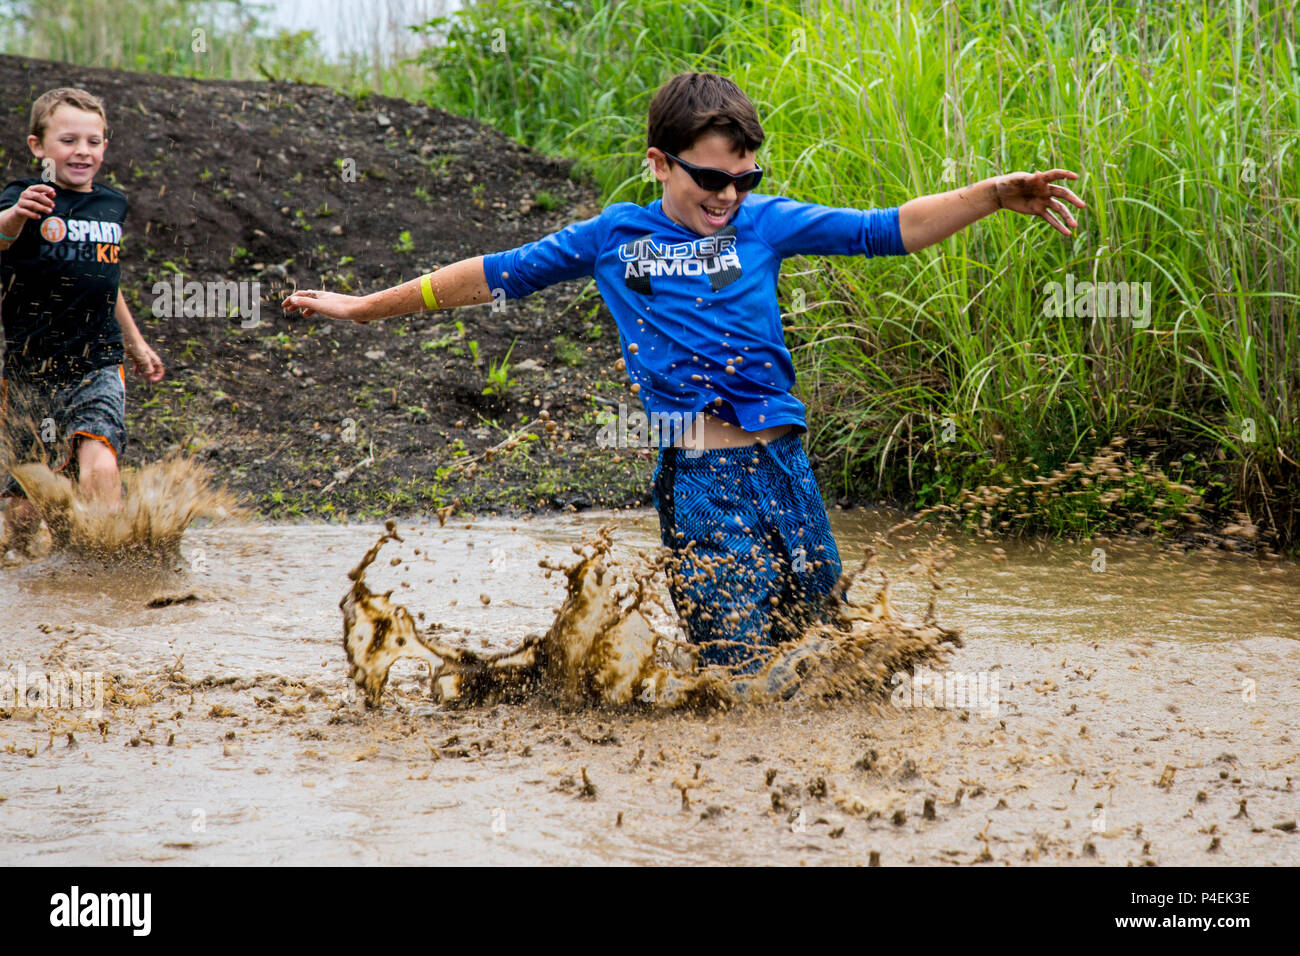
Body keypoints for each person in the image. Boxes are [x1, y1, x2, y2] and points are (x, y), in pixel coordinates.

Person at [282, 72, 1084, 672]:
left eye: (746, 178)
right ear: (661, 164)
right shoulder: (611, 238)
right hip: (700, 478)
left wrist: (989, 194)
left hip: (788, 471)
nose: (730, 195)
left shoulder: (768, 223)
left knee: (834, 655)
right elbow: (485, 275)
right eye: (712, 179)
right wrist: (362, 308)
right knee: (736, 673)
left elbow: (888, 230)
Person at [0, 87, 164, 558]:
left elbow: (105, 281)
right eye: (68, 140)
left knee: (100, 462)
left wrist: (135, 343)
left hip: (97, 359)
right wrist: (14, 216)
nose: (82, 152)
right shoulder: (23, 196)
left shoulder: (112, 205)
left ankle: (105, 563)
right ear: (38, 146)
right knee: (27, 505)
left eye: (93, 141)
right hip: (31, 367)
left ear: (105, 146)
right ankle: (21, 566)